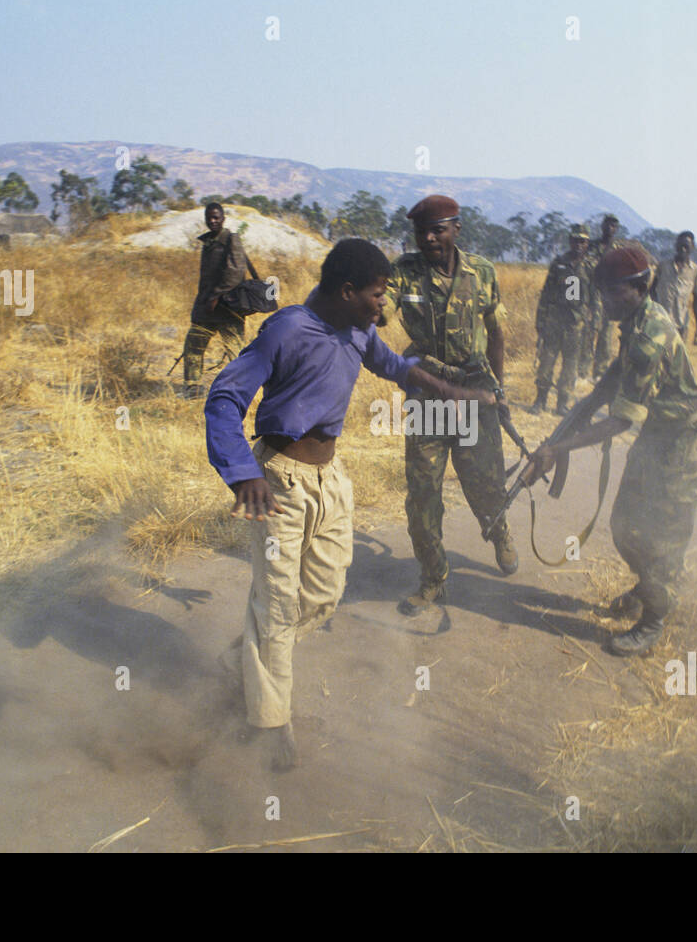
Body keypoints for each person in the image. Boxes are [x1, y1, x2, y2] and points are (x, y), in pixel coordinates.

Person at [205, 239, 492, 769]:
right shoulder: (286, 330)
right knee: (277, 604)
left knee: (323, 596)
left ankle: (244, 666)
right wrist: (242, 472)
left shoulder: (359, 329)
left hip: (331, 481)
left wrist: (452, 393)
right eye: (378, 295)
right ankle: (268, 725)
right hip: (279, 483)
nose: (383, 305)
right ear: (346, 290)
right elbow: (224, 399)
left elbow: (397, 367)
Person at [522, 248, 697, 657]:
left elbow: (621, 421)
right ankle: (649, 588)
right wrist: (582, 410)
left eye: (611, 293)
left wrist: (558, 447)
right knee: (627, 522)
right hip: (660, 432)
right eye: (601, 293)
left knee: (655, 532)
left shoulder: (648, 336)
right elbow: (612, 381)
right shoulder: (634, 320)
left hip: (683, 441)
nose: (603, 302)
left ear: (639, 287)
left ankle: (654, 617)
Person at [379, 194, 519, 616]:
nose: (428, 238)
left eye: (437, 229)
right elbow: (381, 305)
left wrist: (499, 389)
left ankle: (498, 533)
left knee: (485, 481)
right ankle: (432, 577)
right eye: (421, 231)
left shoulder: (483, 272)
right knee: (423, 492)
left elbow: (496, 332)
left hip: (475, 390)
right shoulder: (403, 272)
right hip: (428, 391)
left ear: (457, 228)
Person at [180, 202, 249, 398]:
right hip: (206, 309)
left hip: (227, 308)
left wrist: (216, 295)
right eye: (209, 217)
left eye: (216, 217)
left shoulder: (231, 239)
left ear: (223, 219)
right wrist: (204, 302)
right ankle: (192, 387)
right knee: (193, 345)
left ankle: (241, 390)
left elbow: (236, 272)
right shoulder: (208, 242)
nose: (212, 221)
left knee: (235, 351)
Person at [534, 224, 593, 414]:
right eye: (575, 240)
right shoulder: (558, 264)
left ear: (587, 243)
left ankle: (562, 403)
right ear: (570, 241)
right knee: (546, 362)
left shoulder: (590, 267)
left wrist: (594, 324)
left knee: (570, 366)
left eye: (582, 241)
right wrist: (540, 320)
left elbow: (595, 298)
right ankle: (540, 400)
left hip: (576, 325)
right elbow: (546, 293)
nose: (578, 244)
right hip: (554, 321)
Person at [581, 214, 624, 380]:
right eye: (607, 225)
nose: (609, 228)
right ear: (602, 226)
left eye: (613, 226)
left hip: (610, 299)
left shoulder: (619, 251)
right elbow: (580, 271)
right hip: (590, 296)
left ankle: (600, 373)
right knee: (588, 334)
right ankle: (583, 372)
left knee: (606, 337)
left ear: (616, 229)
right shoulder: (590, 247)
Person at [650, 230, 697, 344]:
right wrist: (654, 312)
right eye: (680, 246)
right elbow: (652, 290)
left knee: (677, 360)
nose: (683, 250)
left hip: (681, 326)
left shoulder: (696, 271)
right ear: (675, 246)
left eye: (686, 246)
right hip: (661, 324)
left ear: (692, 248)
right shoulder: (663, 266)